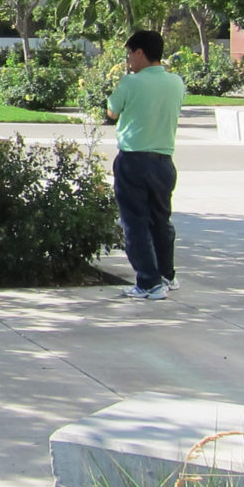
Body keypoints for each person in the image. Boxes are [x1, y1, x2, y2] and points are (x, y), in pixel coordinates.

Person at [107, 29, 186, 300]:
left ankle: (149, 282)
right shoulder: (177, 82)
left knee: (135, 223)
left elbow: (112, 111)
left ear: (140, 52)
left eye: (130, 54)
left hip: (133, 159)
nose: (129, 60)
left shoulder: (131, 83)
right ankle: (167, 275)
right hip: (164, 161)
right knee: (161, 221)